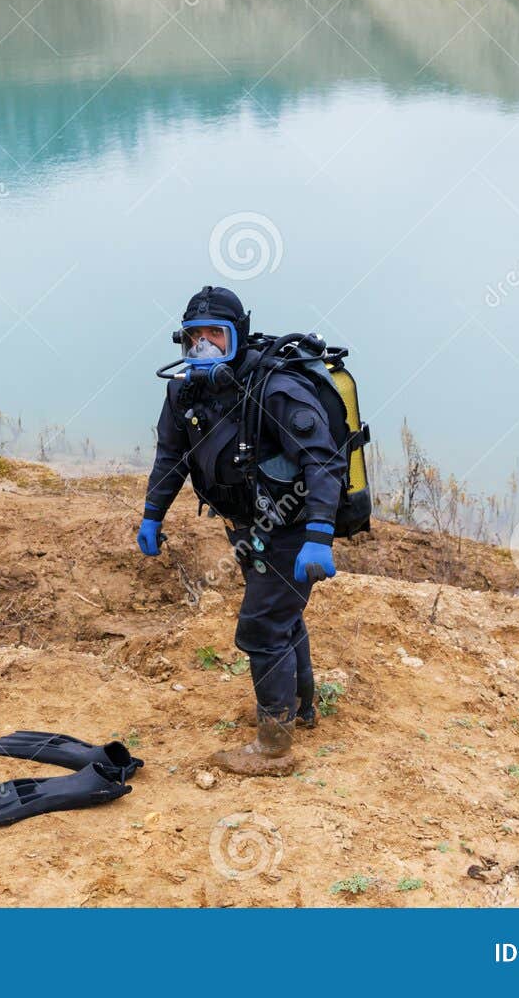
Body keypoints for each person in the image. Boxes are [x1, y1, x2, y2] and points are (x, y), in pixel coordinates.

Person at [136, 286, 345, 775]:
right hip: (247, 528)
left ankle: (274, 749)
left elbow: (323, 459)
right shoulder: (182, 391)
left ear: (238, 338)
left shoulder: (275, 389)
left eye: (217, 336)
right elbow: (172, 456)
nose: (205, 346)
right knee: (281, 620)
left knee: (261, 628)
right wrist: (152, 514)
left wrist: (318, 531)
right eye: (195, 337)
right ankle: (303, 710)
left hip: (290, 531)